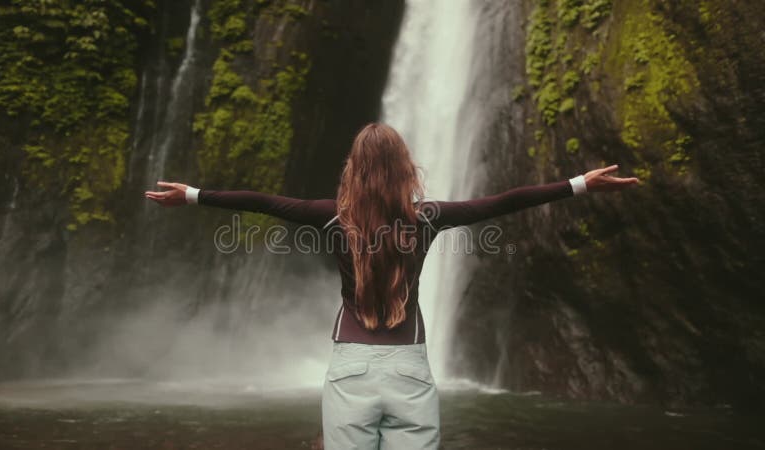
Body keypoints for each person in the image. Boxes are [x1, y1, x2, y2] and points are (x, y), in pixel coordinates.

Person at [145, 122, 638, 449]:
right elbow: (504, 201)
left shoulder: (330, 217)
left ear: (353, 169)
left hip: (350, 367)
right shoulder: (428, 217)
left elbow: (261, 202)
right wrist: (578, 184)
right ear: (405, 168)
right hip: (409, 368)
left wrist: (191, 195)